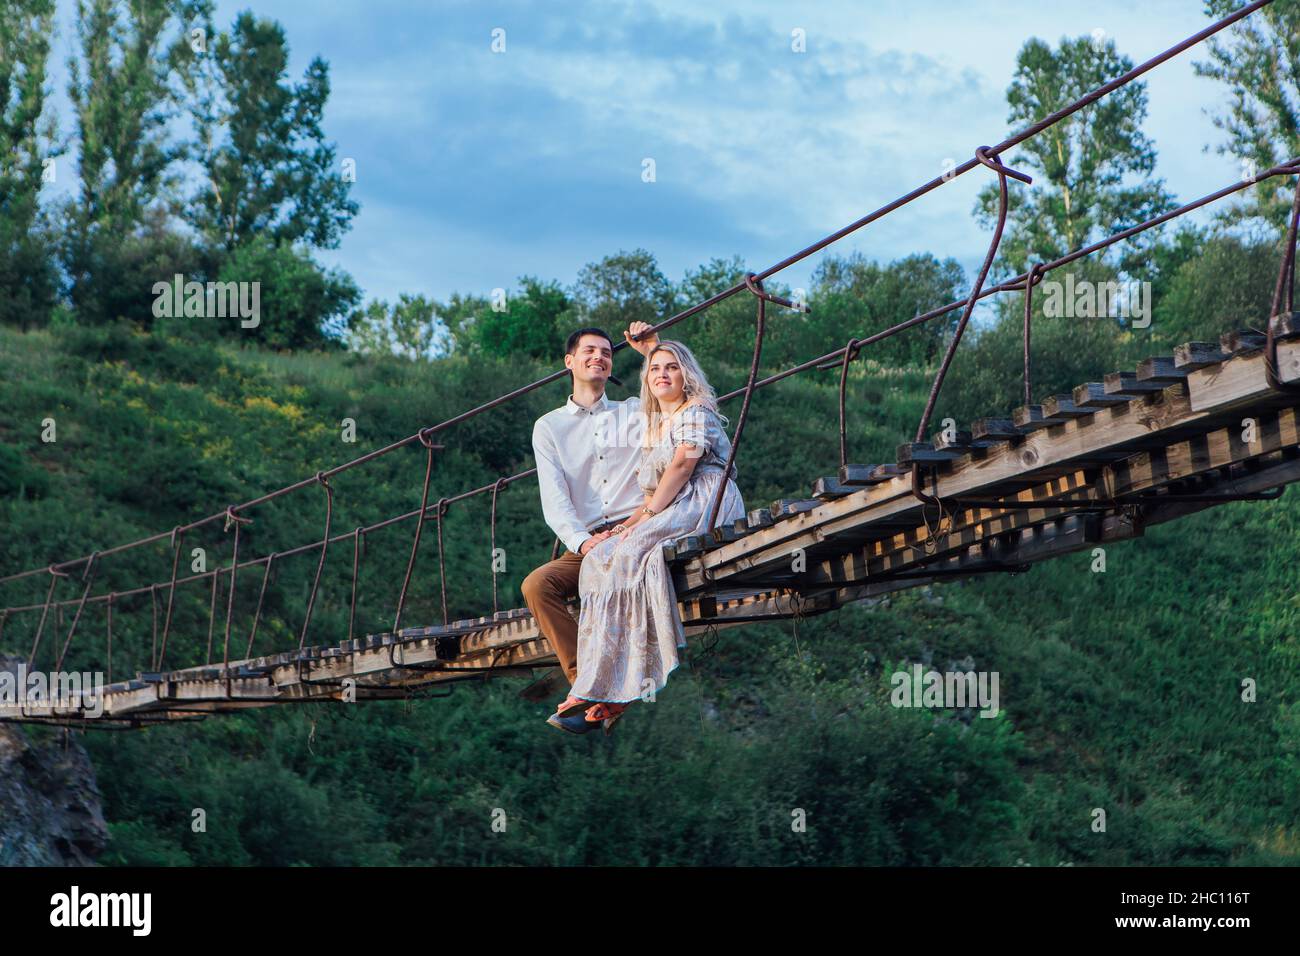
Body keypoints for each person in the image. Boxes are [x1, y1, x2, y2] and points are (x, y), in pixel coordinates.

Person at [554, 338, 745, 735]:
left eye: (672, 368)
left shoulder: (697, 411)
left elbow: (683, 465)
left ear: (686, 376)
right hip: (673, 504)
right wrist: (626, 525)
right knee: (601, 555)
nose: (662, 374)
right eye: (655, 369)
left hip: (705, 499)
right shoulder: (656, 427)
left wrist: (644, 521)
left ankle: (624, 686)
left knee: (631, 553)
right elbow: (650, 497)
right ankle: (596, 682)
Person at [522, 323, 662, 735]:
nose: (599, 356)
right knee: (537, 585)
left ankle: (603, 691)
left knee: (616, 581)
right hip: (587, 542)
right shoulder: (548, 427)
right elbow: (555, 499)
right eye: (589, 351)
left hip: (634, 530)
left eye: (606, 352)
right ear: (570, 362)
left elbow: (679, 402)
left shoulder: (634, 413)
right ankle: (588, 683)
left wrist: (651, 350)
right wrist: (583, 543)